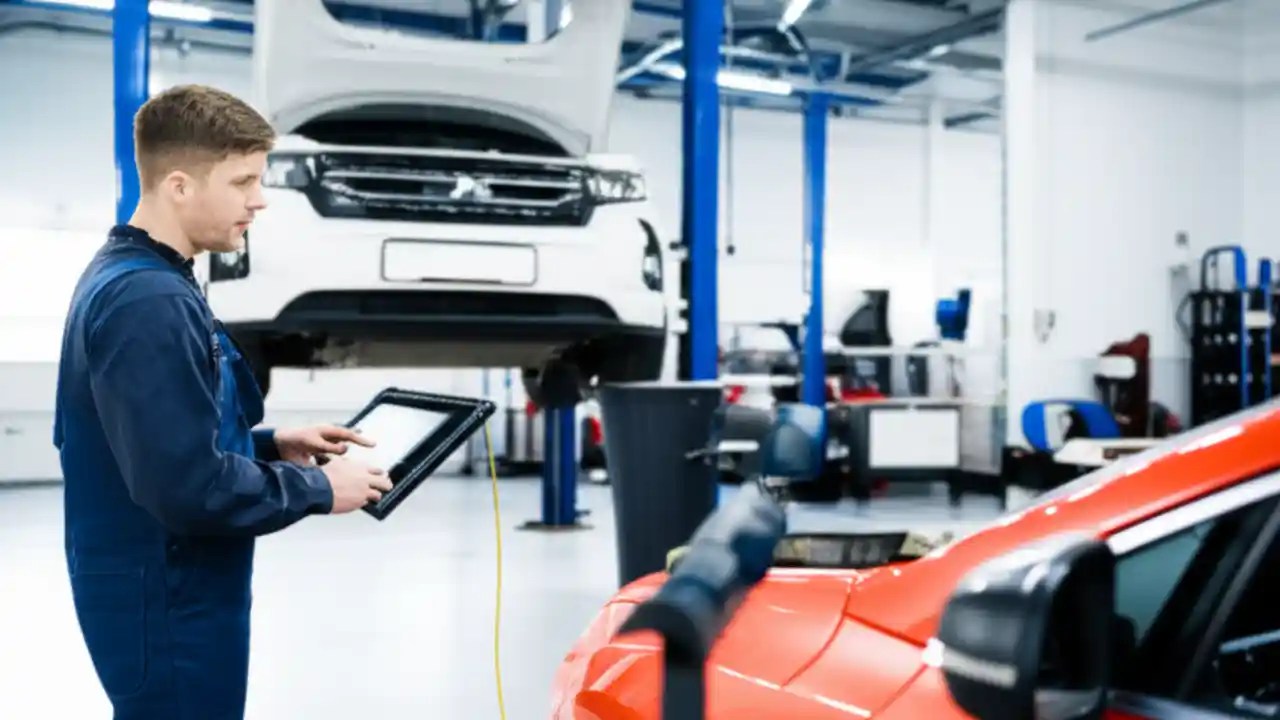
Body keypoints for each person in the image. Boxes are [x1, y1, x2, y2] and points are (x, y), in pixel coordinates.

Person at [52, 84, 392, 719]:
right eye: (242, 182)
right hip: (171, 597)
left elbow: (146, 437)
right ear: (180, 186)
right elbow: (185, 487)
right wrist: (317, 490)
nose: (258, 201)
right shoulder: (148, 302)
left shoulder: (140, 277)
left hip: (157, 586)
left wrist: (270, 446)